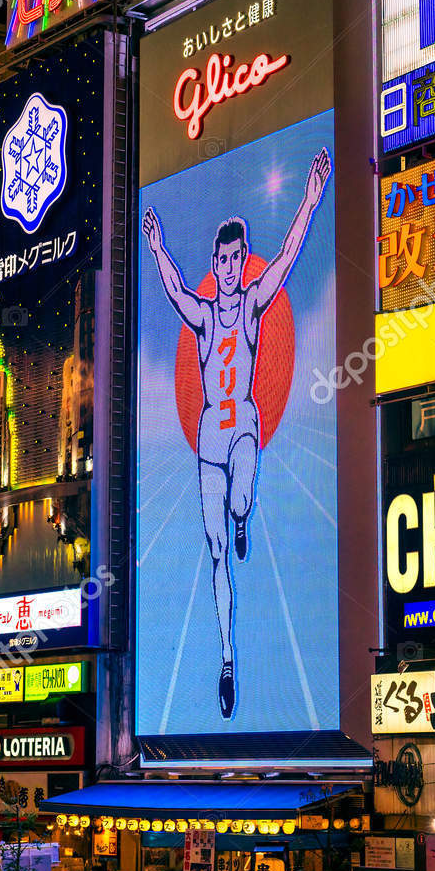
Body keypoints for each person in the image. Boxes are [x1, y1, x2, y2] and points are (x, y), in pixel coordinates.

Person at [140, 146, 332, 719]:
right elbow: (174, 289)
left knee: (241, 494)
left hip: (243, 428)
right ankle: (228, 658)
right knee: (218, 558)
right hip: (208, 442)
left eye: (234, 258)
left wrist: (309, 199)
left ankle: (244, 513)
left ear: (242, 259)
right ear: (214, 261)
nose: (227, 267)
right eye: (220, 259)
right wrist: (156, 249)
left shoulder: (251, 306)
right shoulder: (202, 315)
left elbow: (291, 258)